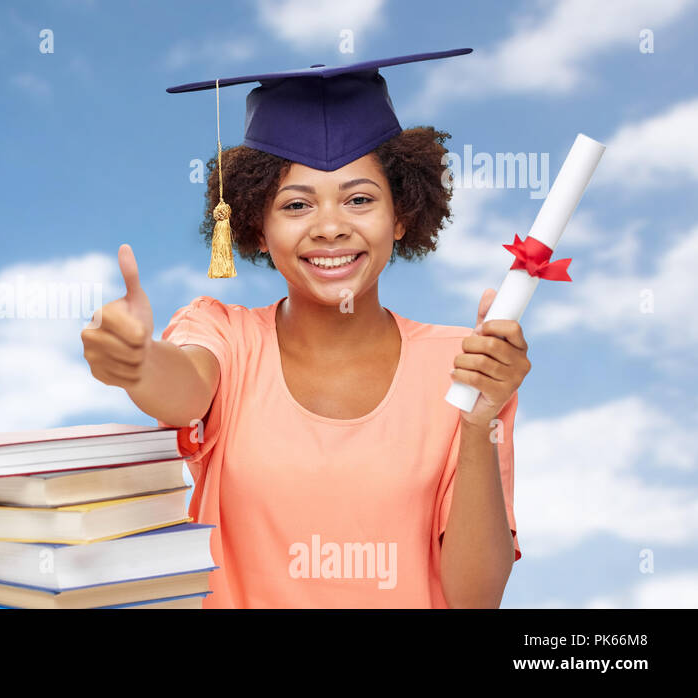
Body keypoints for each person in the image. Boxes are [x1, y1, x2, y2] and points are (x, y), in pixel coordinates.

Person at [80, 49, 527, 608]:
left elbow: (475, 599)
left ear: (402, 215)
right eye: (296, 205)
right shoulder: (225, 336)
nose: (331, 227)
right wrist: (137, 361)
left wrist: (478, 420)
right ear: (255, 227)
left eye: (360, 199)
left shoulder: (465, 365)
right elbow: (185, 388)